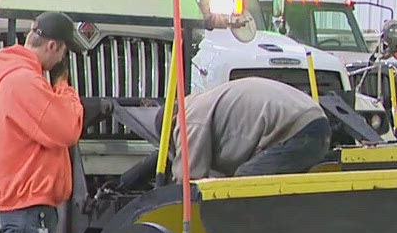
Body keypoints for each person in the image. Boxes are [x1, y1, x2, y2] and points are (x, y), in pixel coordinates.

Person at [0, 11, 108, 233]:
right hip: (29, 209)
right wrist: (64, 87)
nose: (63, 58)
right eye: (64, 51)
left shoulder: (13, 76)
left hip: (25, 207)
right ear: (53, 45)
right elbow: (67, 128)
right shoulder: (24, 81)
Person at [125, 76, 329, 186]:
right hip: (314, 124)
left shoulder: (190, 119)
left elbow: (188, 180)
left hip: (299, 132)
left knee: (243, 183)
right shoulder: (201, 103)